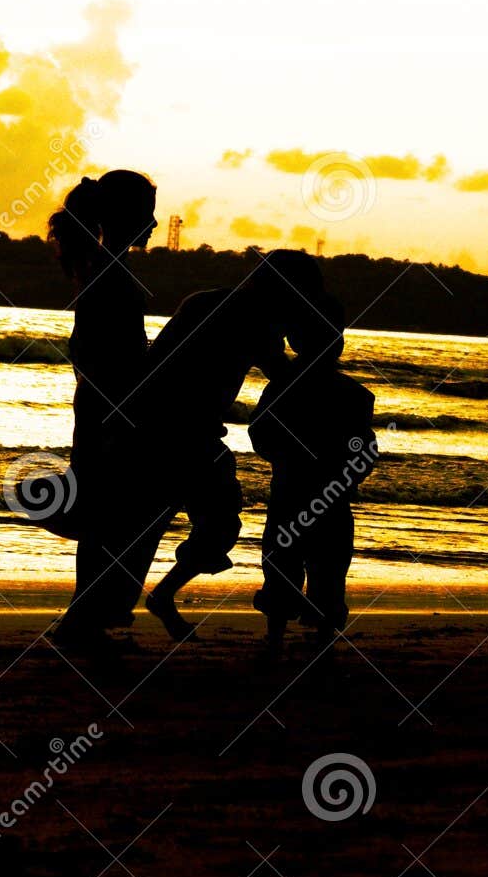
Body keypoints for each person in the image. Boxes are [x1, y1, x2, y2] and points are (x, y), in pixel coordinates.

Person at [136, 251, 324, 639]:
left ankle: (147, 598)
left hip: (154, 426)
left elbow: (154, 362)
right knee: (219, 523)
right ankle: (159, 596)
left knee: (156, 521)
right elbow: (284, 374)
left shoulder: (204, 301)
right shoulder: (256, 321)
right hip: (190, 435)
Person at [41, 170, 158, 648]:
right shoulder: (111, 275)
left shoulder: (105, 269)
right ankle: (83, 619)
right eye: (147, 214)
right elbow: (90, 350)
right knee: (107, 517)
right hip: (110, 412)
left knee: (102, 516)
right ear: (125, 217)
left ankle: (87, 616)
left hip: (101, 408)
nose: (154, 224)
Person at [248, 295, 376, 650]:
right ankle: (322, 638)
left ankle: (276, 635)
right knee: (329, 571)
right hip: (332, 497)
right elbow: (365, 449)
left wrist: (285, 458)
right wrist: (349, 477)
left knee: (282, 563)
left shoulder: (283, 386)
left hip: (290, 490)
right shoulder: (356, 395)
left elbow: (260, 433)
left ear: (296, 342)